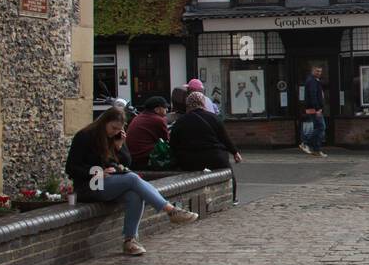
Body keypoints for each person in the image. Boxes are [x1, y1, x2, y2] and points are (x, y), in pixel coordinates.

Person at [65, 106, 199, 256]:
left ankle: (130, 240)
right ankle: (171, 211)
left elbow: (127, 162)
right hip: (89, 185)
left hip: (109, 182)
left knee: (134, 195)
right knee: (132, 178)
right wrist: (97, 172)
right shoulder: (84, 136)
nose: (115, 132)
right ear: (104, 122)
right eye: (113, 128)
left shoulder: (113, 138)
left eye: (118, 129)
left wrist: (120, 146)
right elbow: (71, 167)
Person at [171, 91, 244, 171]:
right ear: (203, 103)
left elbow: (173, 144)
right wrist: (235, 153)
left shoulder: (180, 122)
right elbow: (224, 138)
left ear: (187, 104)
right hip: (215, 158)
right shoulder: (214, 118)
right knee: (228, 178)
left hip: (190, 161)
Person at [125, 95, 170, 168]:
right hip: (144, 158)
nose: (167, 109)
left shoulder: (138, 117)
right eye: (165, 107)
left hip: (133, 157)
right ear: (157, 110)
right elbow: (168, 141)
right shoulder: (158, 120)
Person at [299, 65, 327, 157]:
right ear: (312, 71)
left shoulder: (315, 81)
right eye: (317, 71)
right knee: (321, 127)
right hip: (314, 109)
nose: (319, 73)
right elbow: (313, 96)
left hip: (314, 109)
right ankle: (305, 143)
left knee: (318, 128)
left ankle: (316, 150)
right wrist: (318, 109)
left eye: (320, 71)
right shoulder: (311, 81)